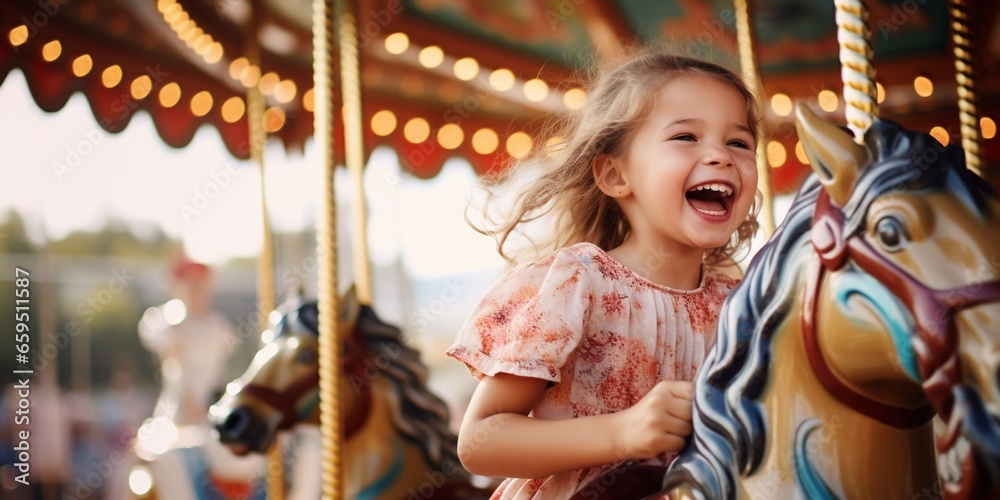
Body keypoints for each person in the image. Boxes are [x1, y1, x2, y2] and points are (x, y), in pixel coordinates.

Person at [446, 52, 761, 499]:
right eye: (686, 136)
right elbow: (480, 442)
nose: (720, 156)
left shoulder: (743, 304)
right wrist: (623, 432)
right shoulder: (578, 284)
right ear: (615, 174)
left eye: (739, 143)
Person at [139, 258, 237, 427]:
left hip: (212, 409)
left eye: (200, 283)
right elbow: (172, 361)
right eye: (190, 283)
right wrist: (189, 401)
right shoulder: (167, 318)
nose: (196, 289)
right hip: (176, 412)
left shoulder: (219, 325)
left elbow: (222, 370)